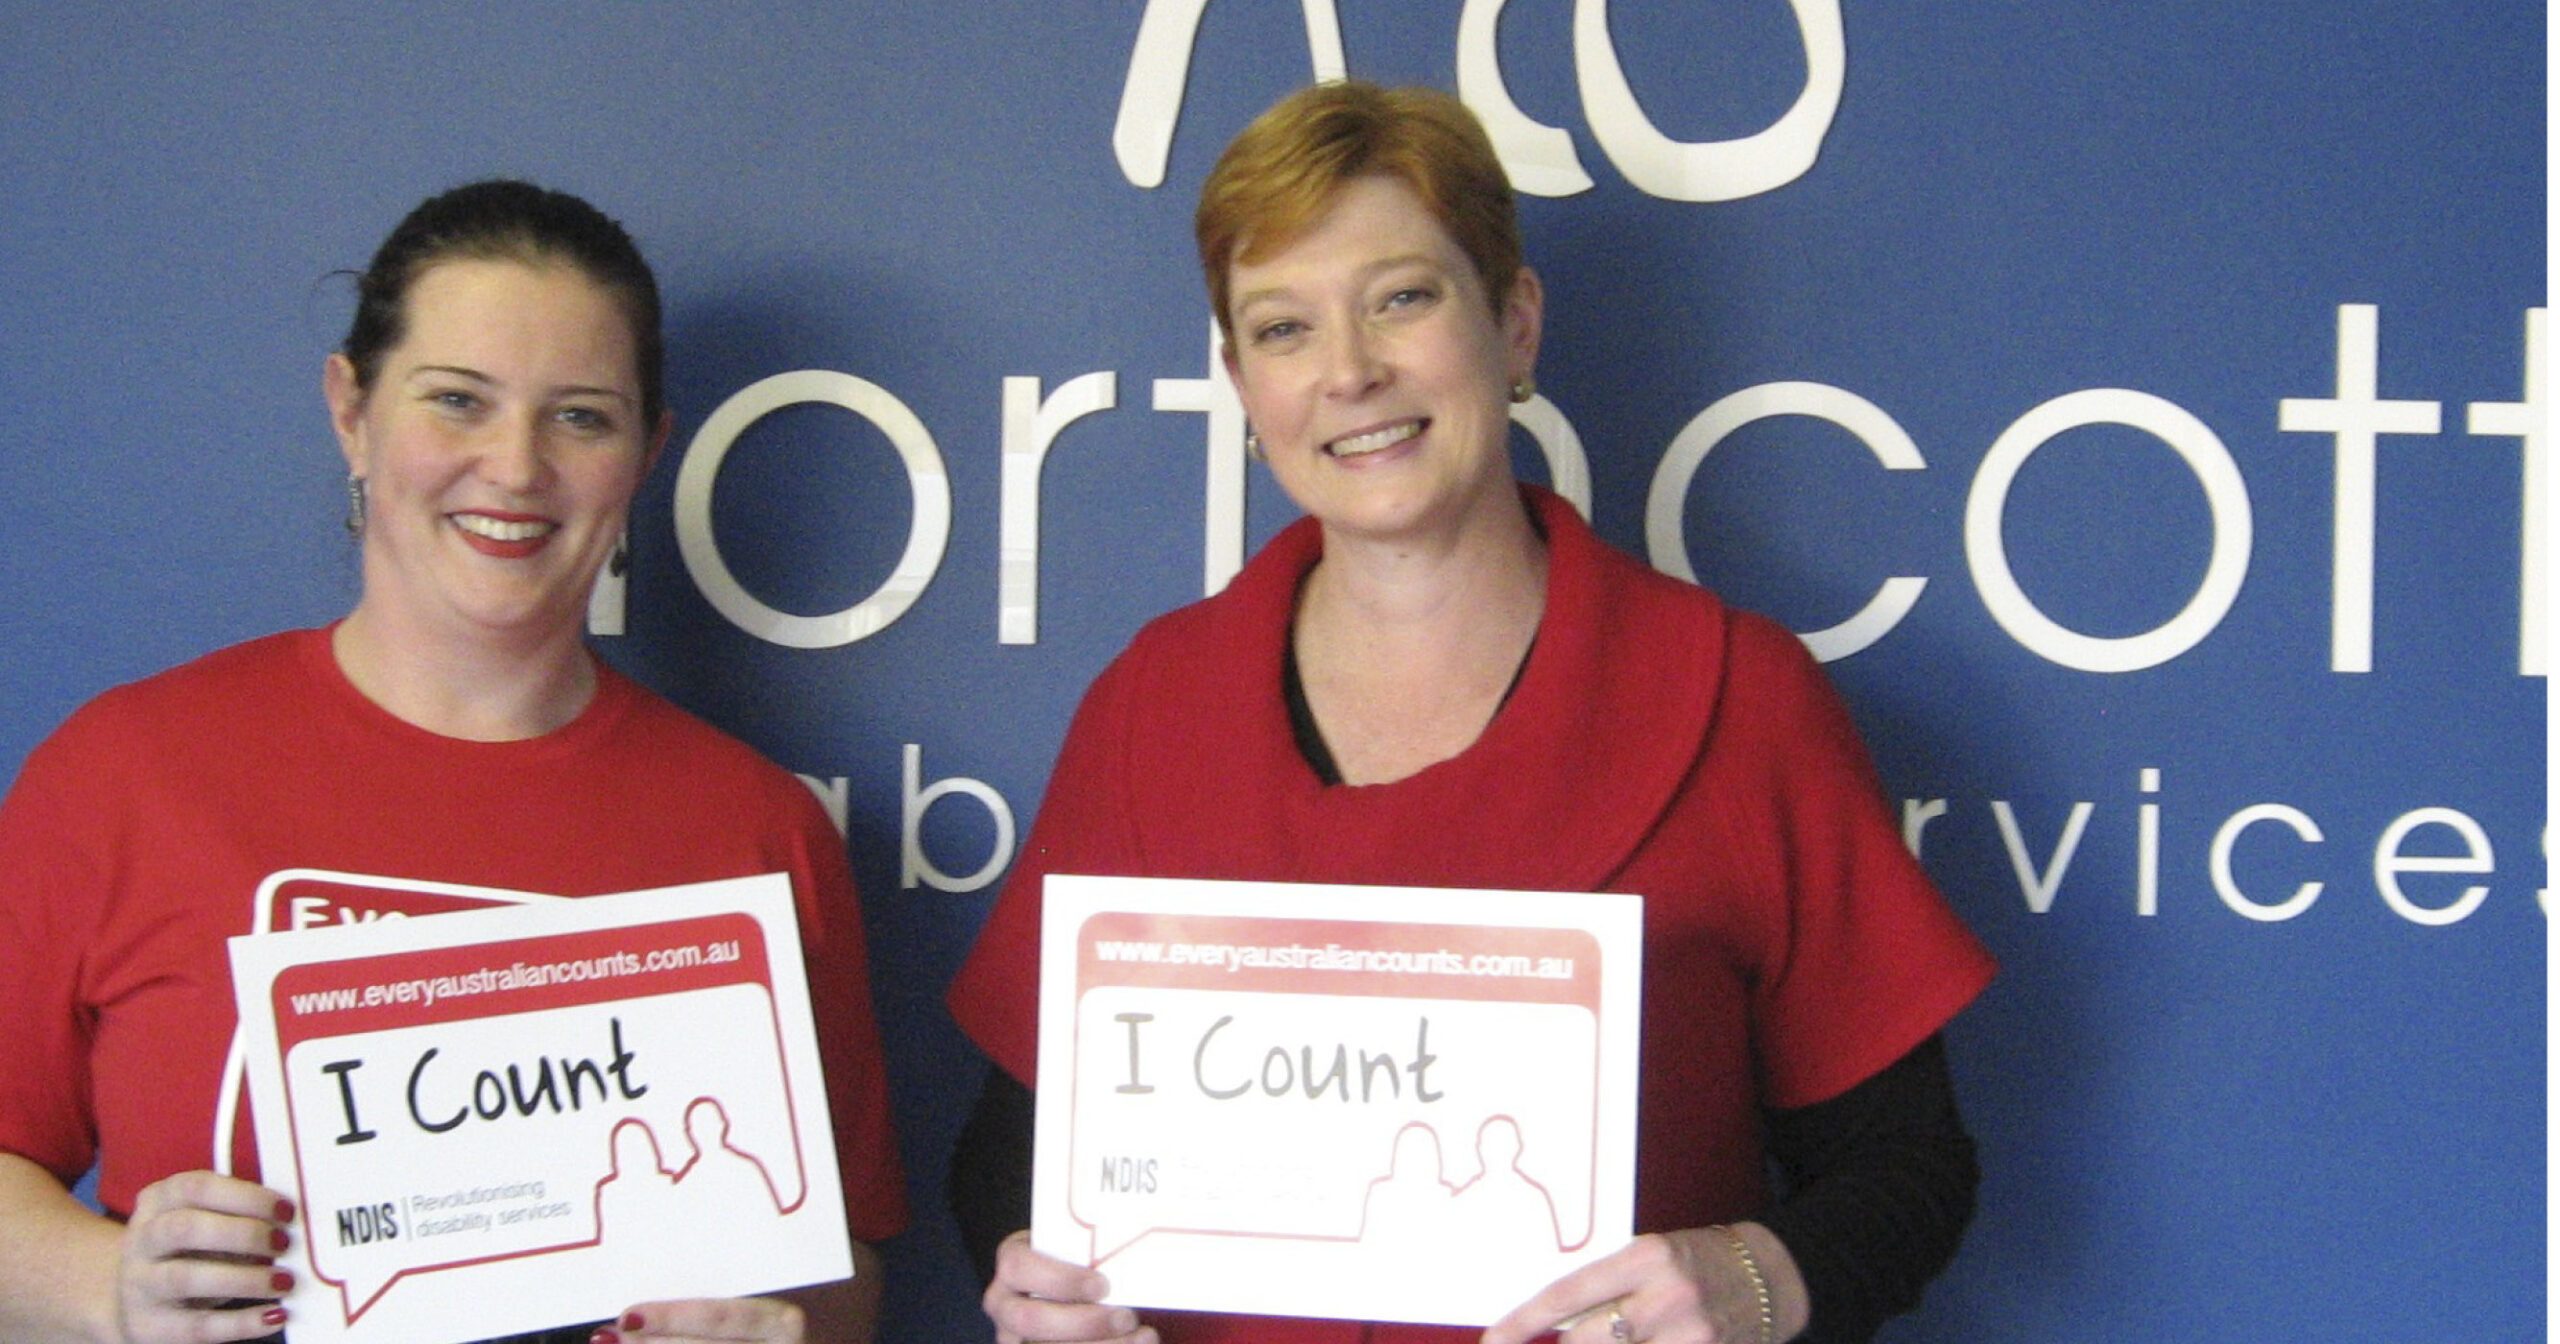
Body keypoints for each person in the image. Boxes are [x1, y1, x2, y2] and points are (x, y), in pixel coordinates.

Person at [945, 82, 1995, 1344]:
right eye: (1282, 328)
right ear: (1239, 381)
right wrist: (1032, 1292)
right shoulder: (1147, 708)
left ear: (1514, 322)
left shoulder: (1738, 696)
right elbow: (1006, 1164)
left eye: (1402, 298)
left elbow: (1908, 1172)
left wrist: (1752, 1280)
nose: (1348, 372)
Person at [0, 180, 906, 1344]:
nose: (515, 467)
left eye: (580, 416)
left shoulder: (756, 830)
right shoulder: (126, 772)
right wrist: (108, 1290)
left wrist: (785, 1332)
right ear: (351, 408)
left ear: (646, 453)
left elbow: (845, 1278)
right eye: (457, 401)